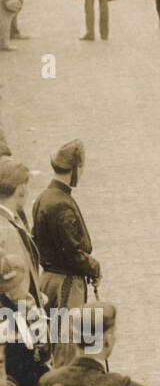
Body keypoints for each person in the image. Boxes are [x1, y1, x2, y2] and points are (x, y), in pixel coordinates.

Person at [32, 141, 100, 369]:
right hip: (67, 285)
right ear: (75, 169)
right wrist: (94, 268)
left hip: (48, 279)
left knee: (52, 342)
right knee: (69, 348)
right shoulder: (62, 204)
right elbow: (73, 254)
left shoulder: (43, 197)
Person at [0, 159, 48, 386]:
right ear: (20, 188)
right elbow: (15, 284)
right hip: (16, 323)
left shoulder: (9, 220)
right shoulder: (6, 228)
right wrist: (36, 319)